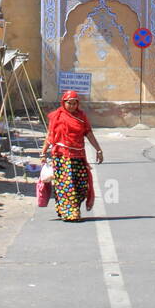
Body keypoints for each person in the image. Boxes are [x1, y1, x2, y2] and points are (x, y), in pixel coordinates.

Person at [41, 90, 104, 222]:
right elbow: (50, 135)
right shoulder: (57, 116)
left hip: (78, 155)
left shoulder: (81, 117)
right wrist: (43, 152)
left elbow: (89, 133)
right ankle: (71, 213)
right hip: (61, 156)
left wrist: (98, 150)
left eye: (75, 103)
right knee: (66, 185)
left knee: (81, 185)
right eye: (69, 103)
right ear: (64, 103)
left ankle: (68, 208)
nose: (72, 106)